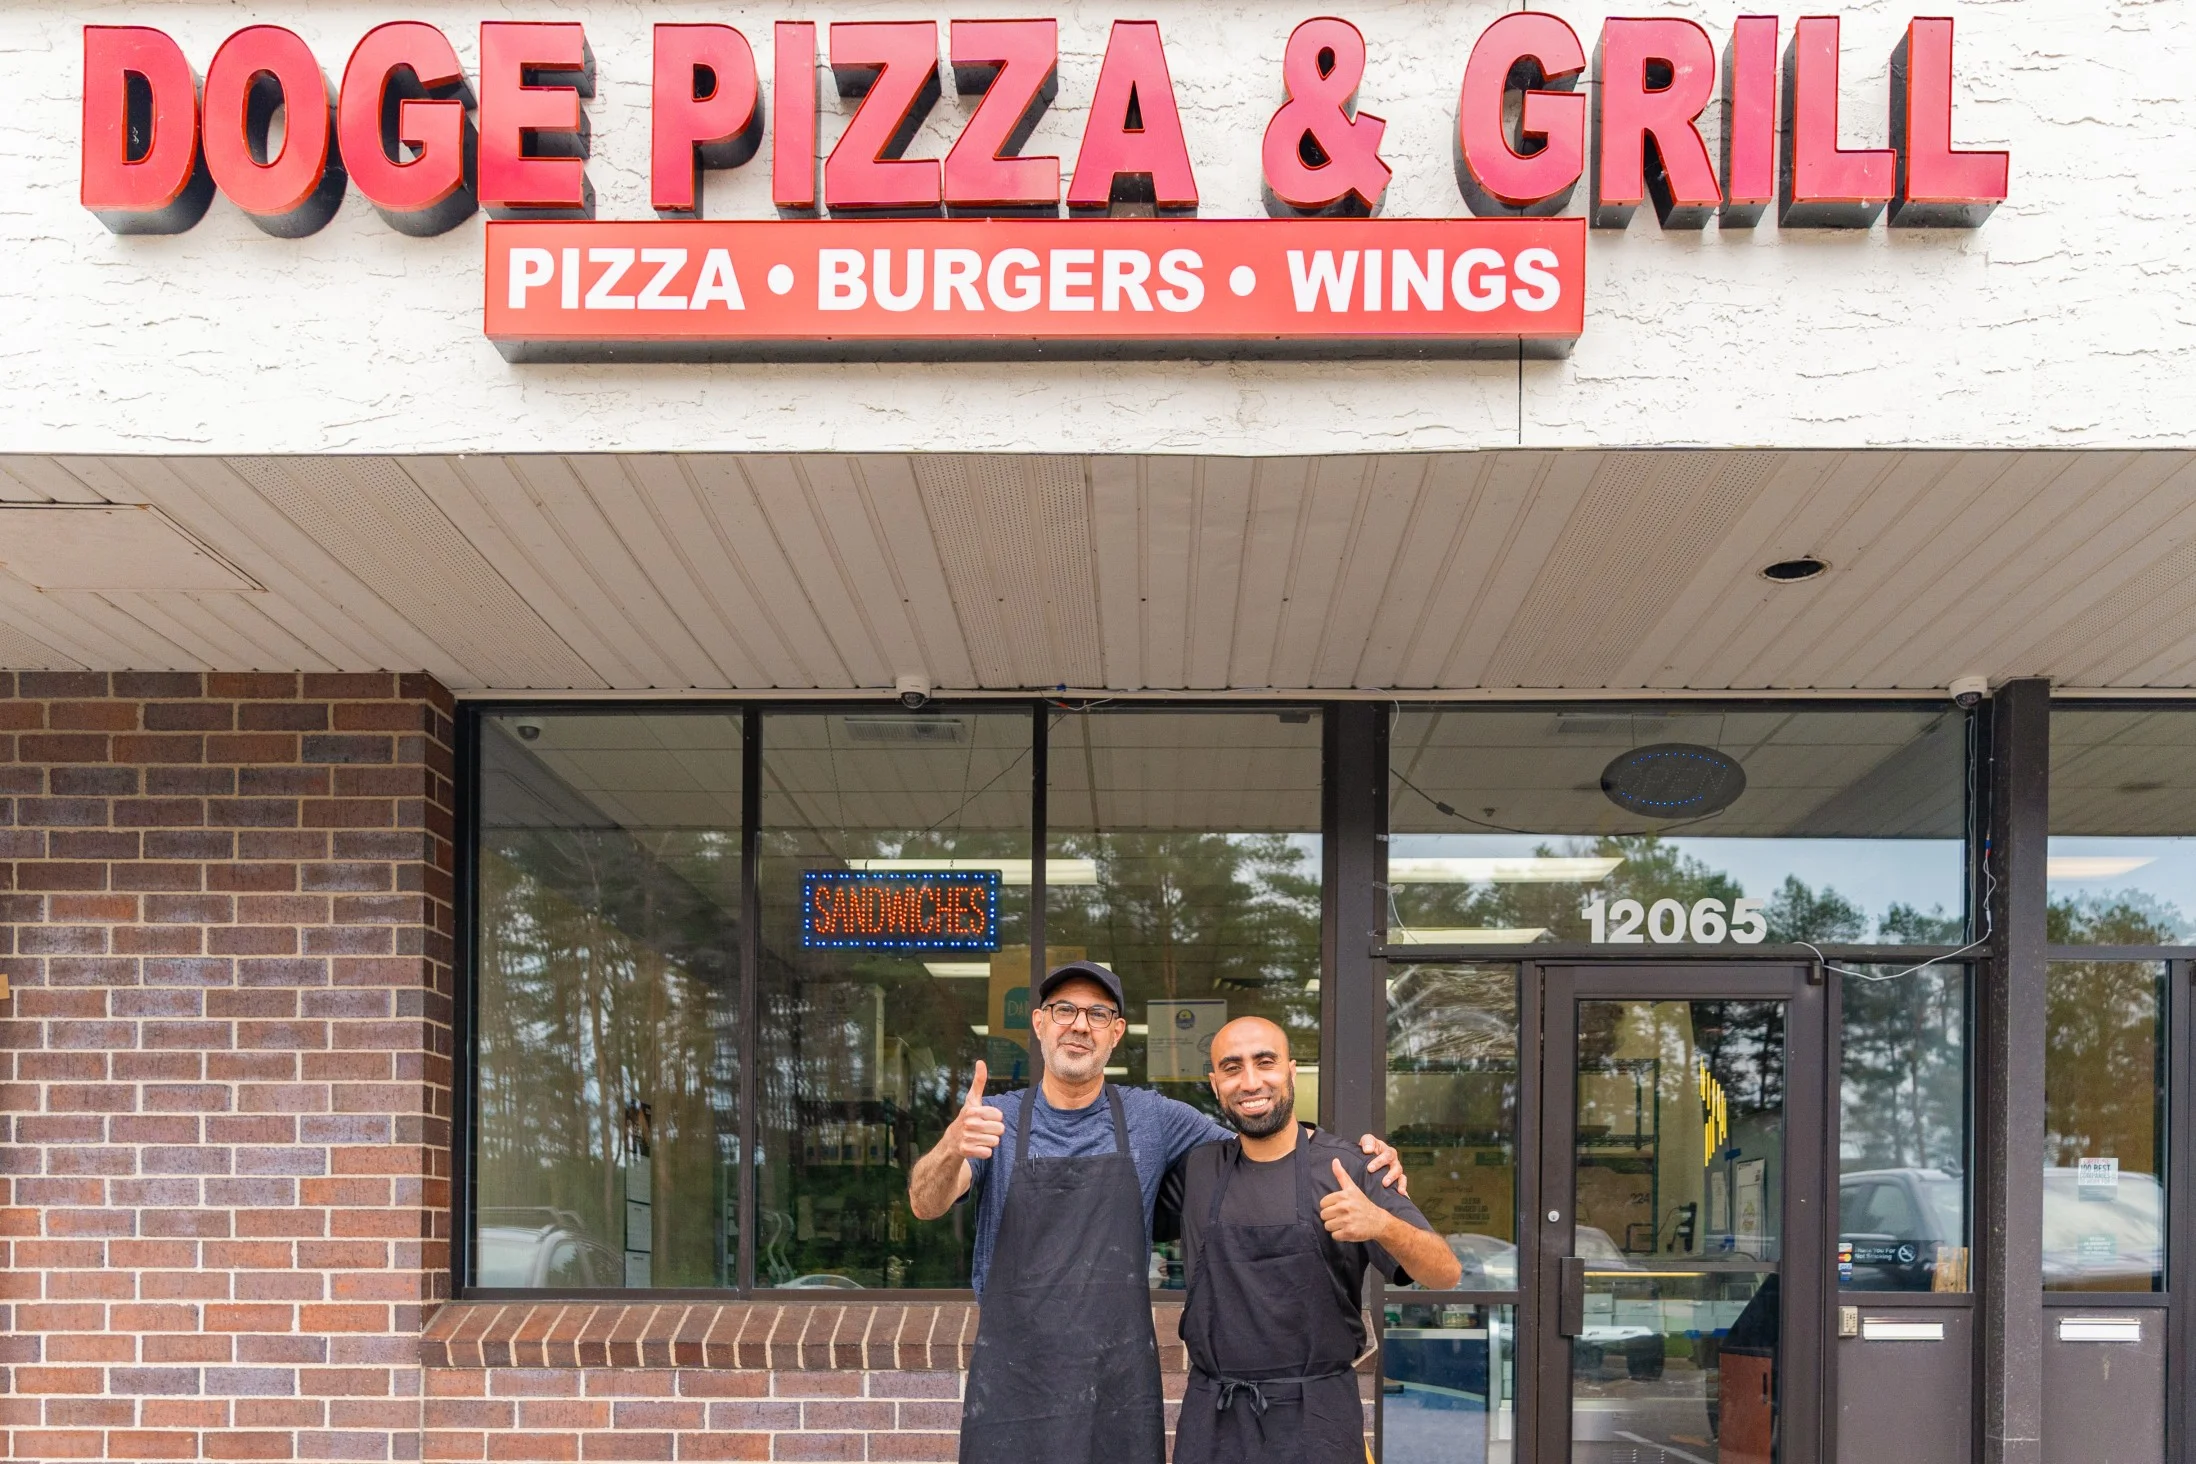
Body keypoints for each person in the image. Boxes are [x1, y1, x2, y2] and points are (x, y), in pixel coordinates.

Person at [907, 961, 1409, 1464]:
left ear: (1116, 1033)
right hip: (1013, 1387)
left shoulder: (1155, 1117)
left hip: (1117, 1389)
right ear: (1040, 1022)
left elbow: (1264, 1145)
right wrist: (950, 1146)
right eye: (1065, 1010)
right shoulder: (992, 1120)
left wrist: (1358, 1157)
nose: (1080, 1025)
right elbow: (925, 1204)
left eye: (1098, 1014)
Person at [1158, 1015, 1461, 1464]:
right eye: (1232, 1067)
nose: (1251, 1081)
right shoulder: (1198, 1170)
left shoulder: (1352, 1169)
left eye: (1265, 1062)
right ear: (1215, 1082)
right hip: (1212, 1419)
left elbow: (1445, 1273)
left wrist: (1383, 1224)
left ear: (1291, 1071)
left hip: (1316, 1420)